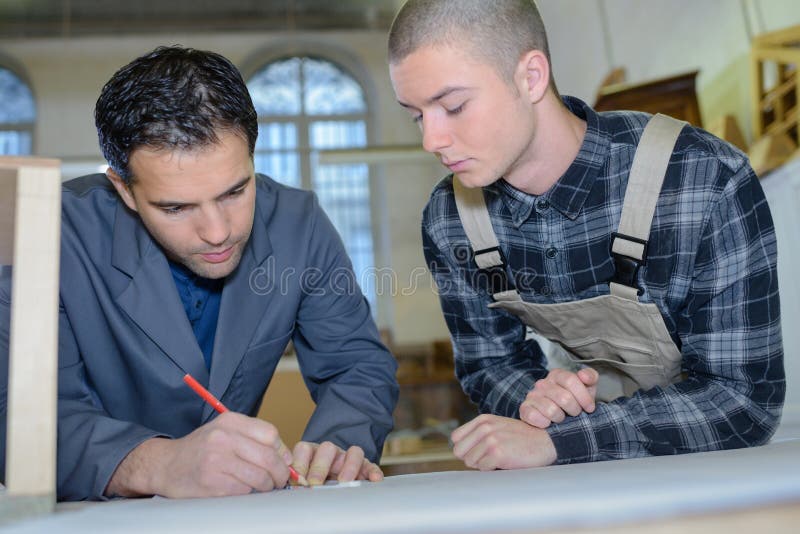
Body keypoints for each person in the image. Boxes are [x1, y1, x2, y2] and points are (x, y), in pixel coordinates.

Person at [388, 0, 784, 471]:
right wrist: (536, 399)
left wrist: (566, 437)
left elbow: (743, 401)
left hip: (713, 474)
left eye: (453, 106)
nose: (431, 140)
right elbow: (489, 365)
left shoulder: (702, 179)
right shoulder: (450, 220)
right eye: (416, 115)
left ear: (531, 77)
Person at [0, 46, 398, 500]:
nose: (217, 232)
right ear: (123, 189)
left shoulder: (298, 224)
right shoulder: (47, 233)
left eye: (235, 191)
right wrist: (159, 464)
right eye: (176, 207)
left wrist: (338, 446)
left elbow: (357, 367)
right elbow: (16, 414)